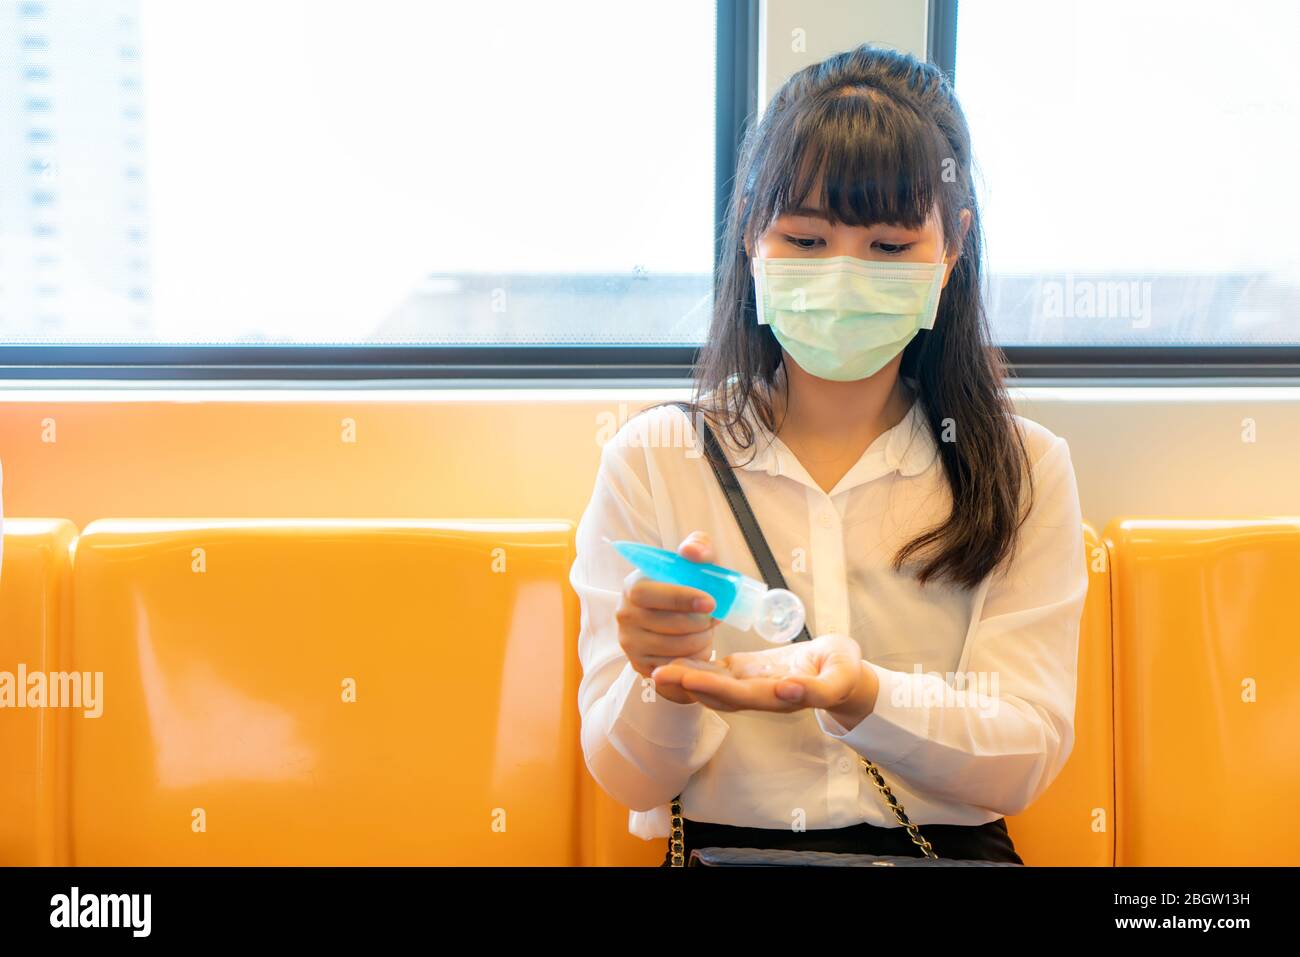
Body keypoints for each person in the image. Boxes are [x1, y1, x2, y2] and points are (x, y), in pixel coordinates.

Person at [570, 43, 1088, 865]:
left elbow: (1024, 754)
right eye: (806, 240)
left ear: (952, 247)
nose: (843, 275)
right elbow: (629, 778)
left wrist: (864, 695)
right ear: (751, 237)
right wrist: (657, 674)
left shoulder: (1025, 468)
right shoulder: (653, 460)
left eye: (888, 249)